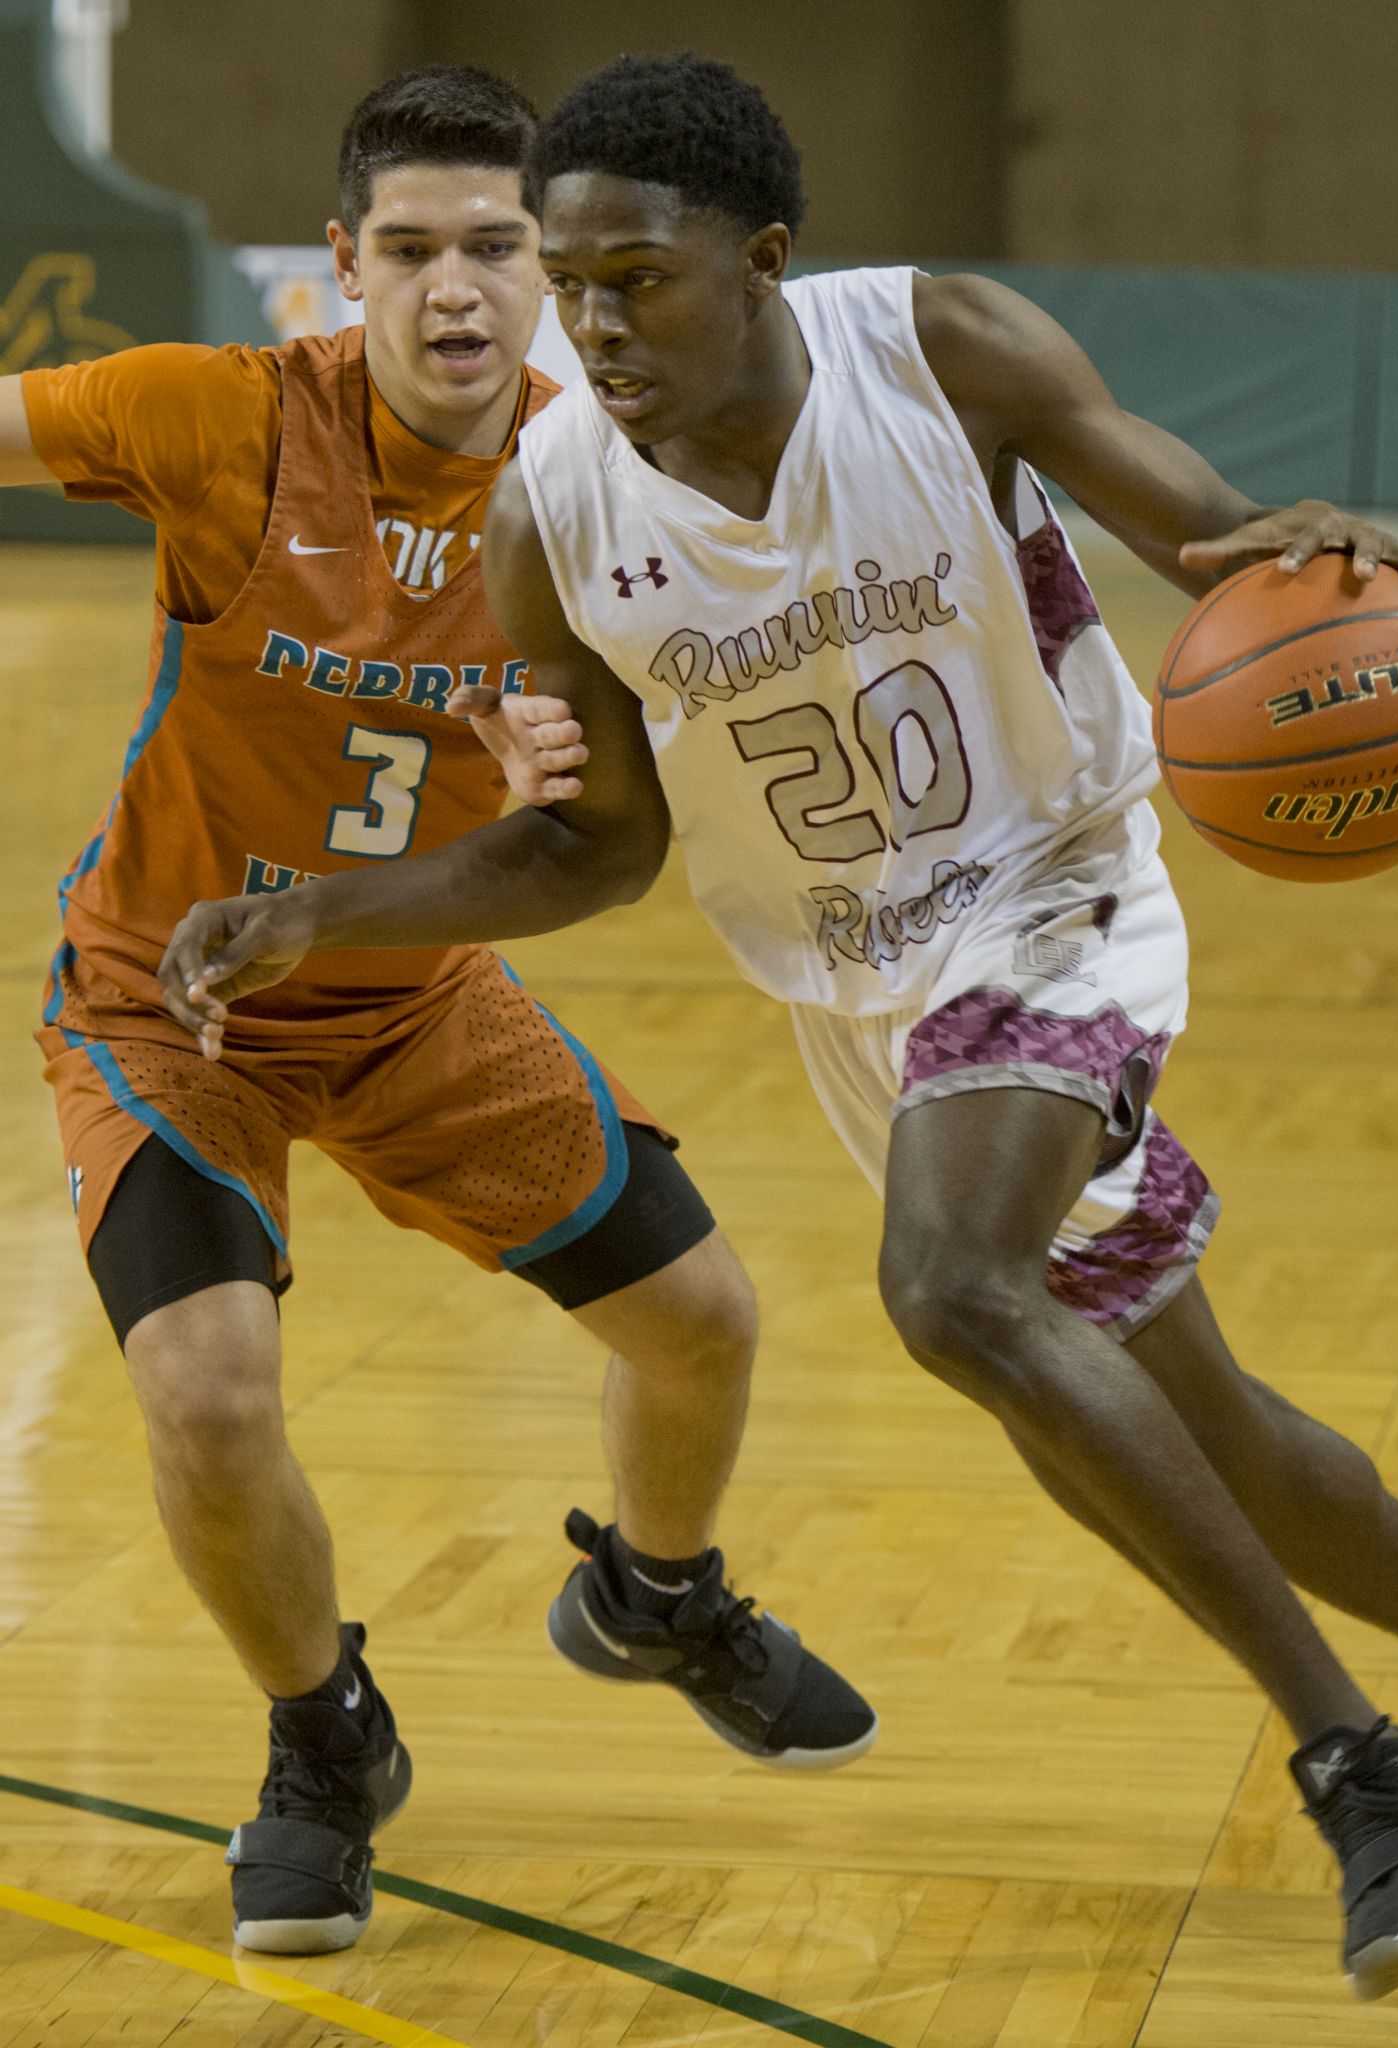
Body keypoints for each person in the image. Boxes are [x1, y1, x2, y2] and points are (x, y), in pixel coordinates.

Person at [155, 54, 1398, 1997]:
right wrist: (317, 914)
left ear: (763, 257)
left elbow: (1204, 533)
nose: (596, 326)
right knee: (1198, 1431)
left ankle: (1370, 1775)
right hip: (863, 997)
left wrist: (1301, 559)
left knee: (951, 1289)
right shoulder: (554, 516)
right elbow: (595, 847)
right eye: (571, 287)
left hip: (1059, 893)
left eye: (639, 280)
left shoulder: (941, 348)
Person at [0, 63, 877, 1961]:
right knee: (206, 1394)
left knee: (706, 1326)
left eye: (494, 246)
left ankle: (658, 1595)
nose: (455, 287)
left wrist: (585, 756)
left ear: (547, 266)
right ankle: (324, 1741)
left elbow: (647, 797)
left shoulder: (601, 487)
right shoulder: (218, 414)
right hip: (170, 1003)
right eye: (410, 249)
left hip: (413, 1005)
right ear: (344, 263)